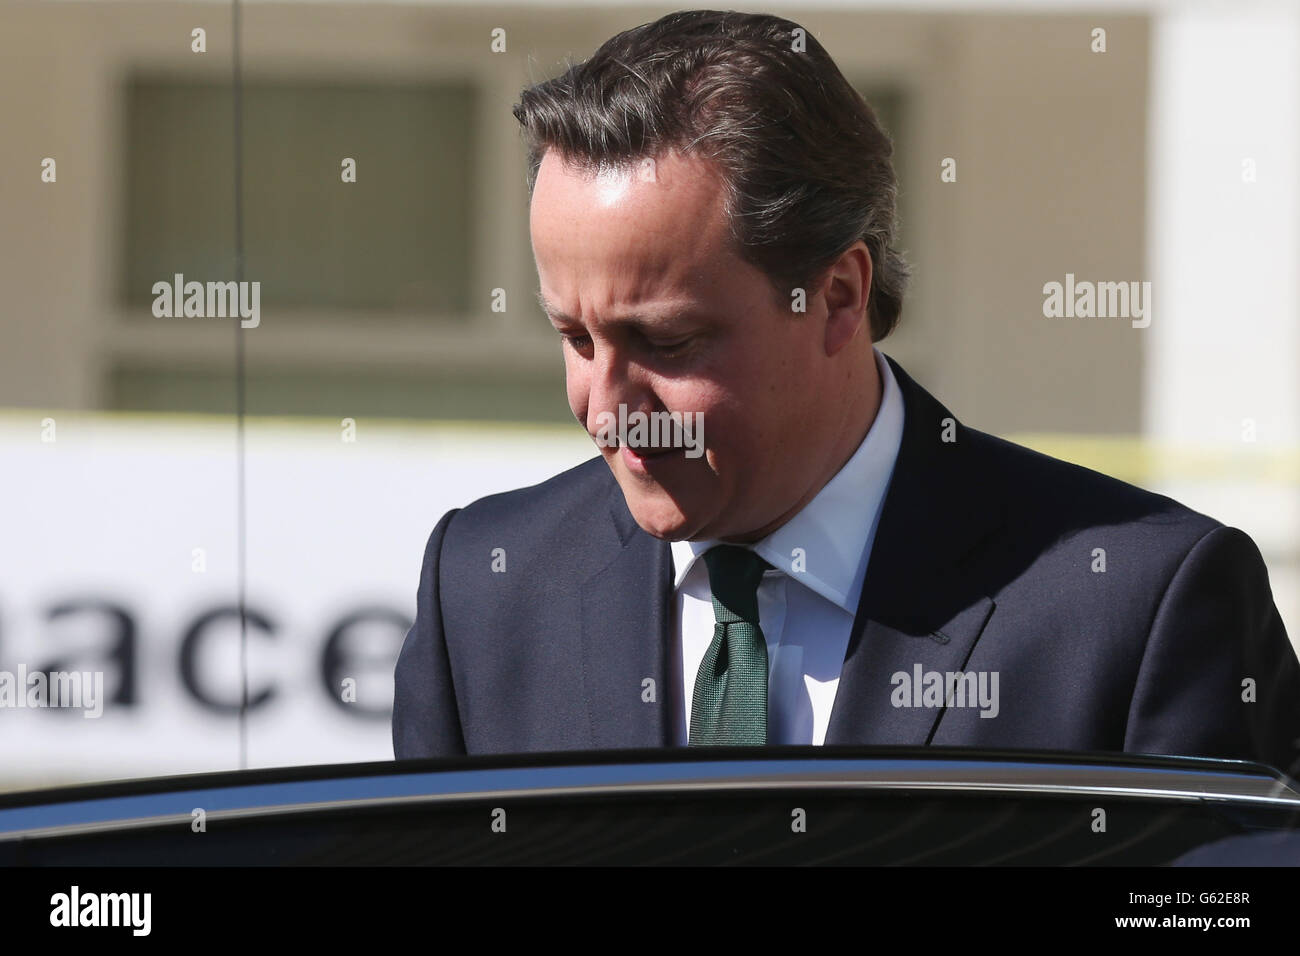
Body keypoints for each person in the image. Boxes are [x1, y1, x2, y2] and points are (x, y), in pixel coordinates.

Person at [393, 10, 1300, 774]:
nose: (607, 405)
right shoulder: (486, 592)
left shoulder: (1140, 609)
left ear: (838, 297)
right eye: (575, 338)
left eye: (666, 341)